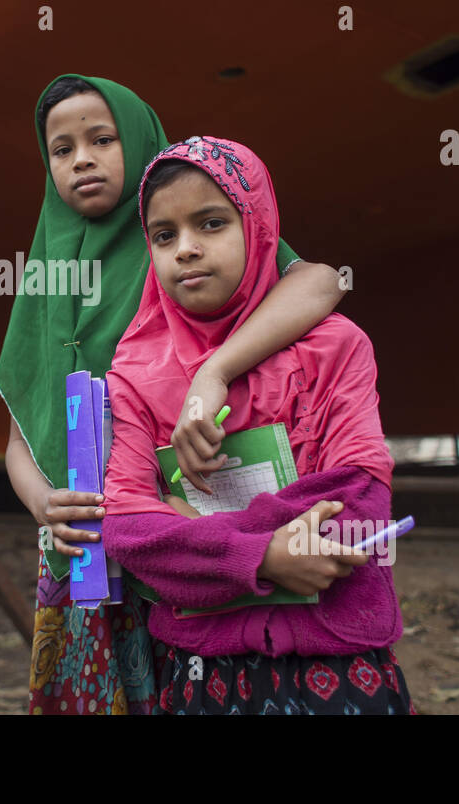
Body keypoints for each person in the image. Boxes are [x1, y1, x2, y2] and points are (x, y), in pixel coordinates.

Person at [0, 77, 348, 714]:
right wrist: (45, 504)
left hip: (186, 527)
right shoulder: (43, 275)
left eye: (102, 139)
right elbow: (20, 435)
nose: (81, 159)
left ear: (137, 139)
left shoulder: (180, 230)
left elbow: (319, 283)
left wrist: (212, 371)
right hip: (80, 548)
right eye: (60, 148)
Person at [102, 136, 416, 714]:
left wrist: (193, 528)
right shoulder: (135, 374)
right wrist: (263, 553)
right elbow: (128, 529)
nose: (186, 249)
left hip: (337, 657)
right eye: (164, 235)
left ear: (259, 227)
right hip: (200, 669)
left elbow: (360, 504)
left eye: (212, 223)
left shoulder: (334, 347)